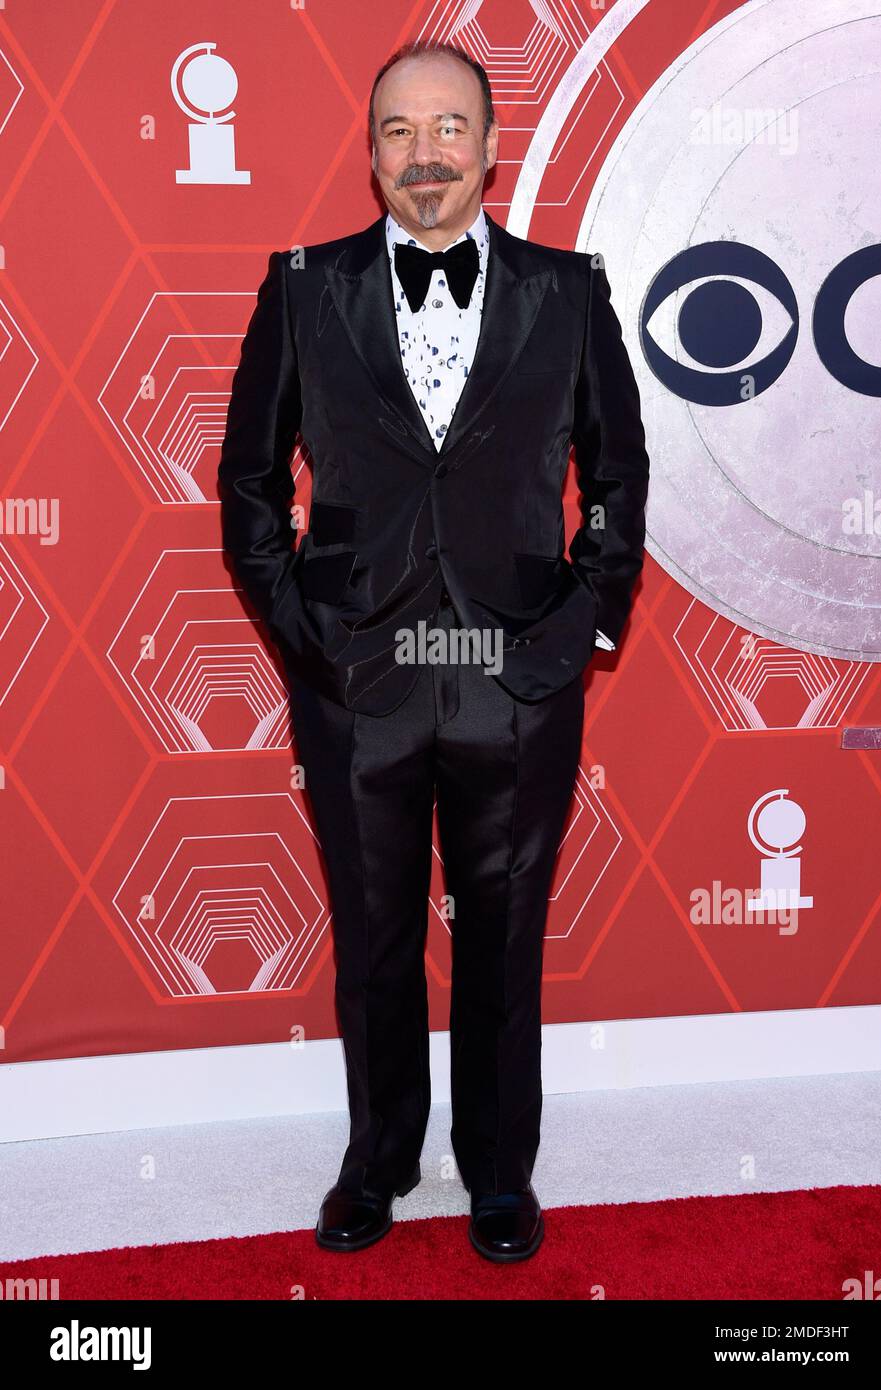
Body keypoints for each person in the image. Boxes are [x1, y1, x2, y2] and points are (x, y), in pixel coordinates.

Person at [218, 39, 649, 1262]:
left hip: (518, 675)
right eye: (399, 131)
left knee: (505, 938)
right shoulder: (303, 286)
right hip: (357, 680)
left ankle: (497, 1173)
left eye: (448, 128)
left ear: (490, 147)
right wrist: (302, 637)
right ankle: (378, 1157)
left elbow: (616, 472)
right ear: (369, 155)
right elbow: (248, 479)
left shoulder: (567, 292)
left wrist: (581, 625)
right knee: (373, 936)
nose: (425, 154)